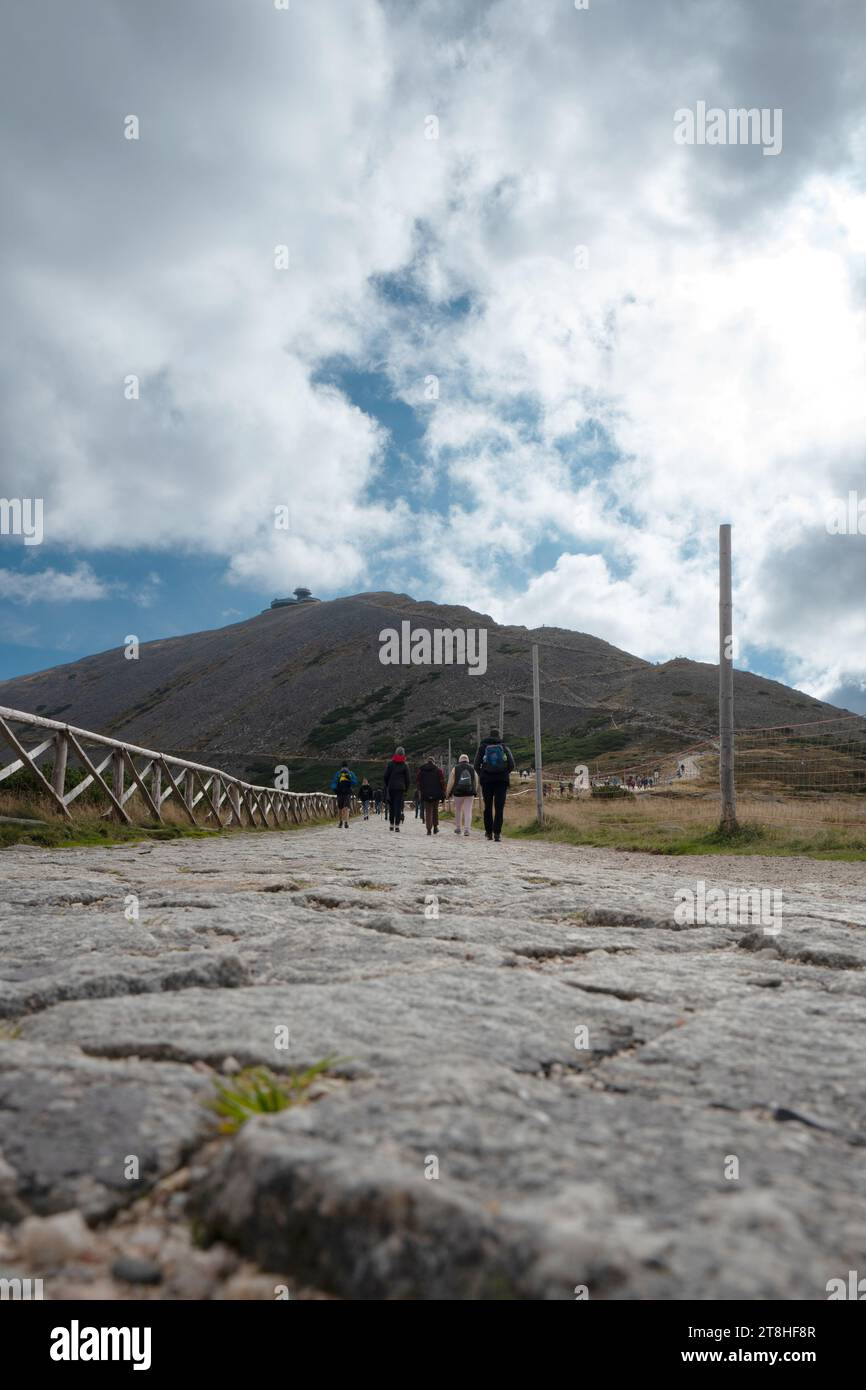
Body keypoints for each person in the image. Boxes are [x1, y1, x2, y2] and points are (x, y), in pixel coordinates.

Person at [473, 726, 516, 842]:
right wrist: (504, 773)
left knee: (488, 807)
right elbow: (512, 765)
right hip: (501, 781)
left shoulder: (482, 747)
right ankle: (497, 833)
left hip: (487, 781)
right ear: (498, 736)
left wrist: (483, 774)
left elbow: (476, 765)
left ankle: (488, 832)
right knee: (499, 807)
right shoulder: (504, 747)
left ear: (489, 735)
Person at [445, 753, 478, 837]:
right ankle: (467, 830)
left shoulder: (455, 768)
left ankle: (458, 828)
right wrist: (475, 791)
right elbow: (476, 781)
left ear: (460, 760)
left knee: (458, 810)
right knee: (468, 811)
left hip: (458, 793)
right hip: (470, 793)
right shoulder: (472, 768)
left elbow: (451, 782)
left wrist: (447, 793)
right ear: (467, 760)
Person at [383, 746, 411, 832]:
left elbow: (385, 776)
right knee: (398, 807)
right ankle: (397, 826)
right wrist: (406, 788)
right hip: (400, 788)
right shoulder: (405, 765)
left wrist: (388, 784)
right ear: (403, 754)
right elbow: (408, 779)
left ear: (396, 753)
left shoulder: (390, 764)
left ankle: (391, 824)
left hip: (391, 787)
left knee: (391, 806)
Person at [416, 755, 446, 835]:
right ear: (434, 762)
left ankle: (428, 829)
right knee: (435, 810)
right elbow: (442, 782)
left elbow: (418, 782)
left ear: (427, 762)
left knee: (428, 811)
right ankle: (435, 827)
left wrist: (420, 791)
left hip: (425, 794)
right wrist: (443, 791)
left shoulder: (421, 770)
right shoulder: (438, 770)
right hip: (436, 794)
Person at [329, 763, 357, 829]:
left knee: (343, 808)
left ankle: (343, 822)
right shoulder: (350, 773)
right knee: (343, 808)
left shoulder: (338, 773)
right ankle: (344, 822)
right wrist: (350, 778)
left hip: (342, 792)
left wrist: (334, 789)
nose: (344, 769)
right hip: (345, 792)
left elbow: (334, 782)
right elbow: (355, 782)